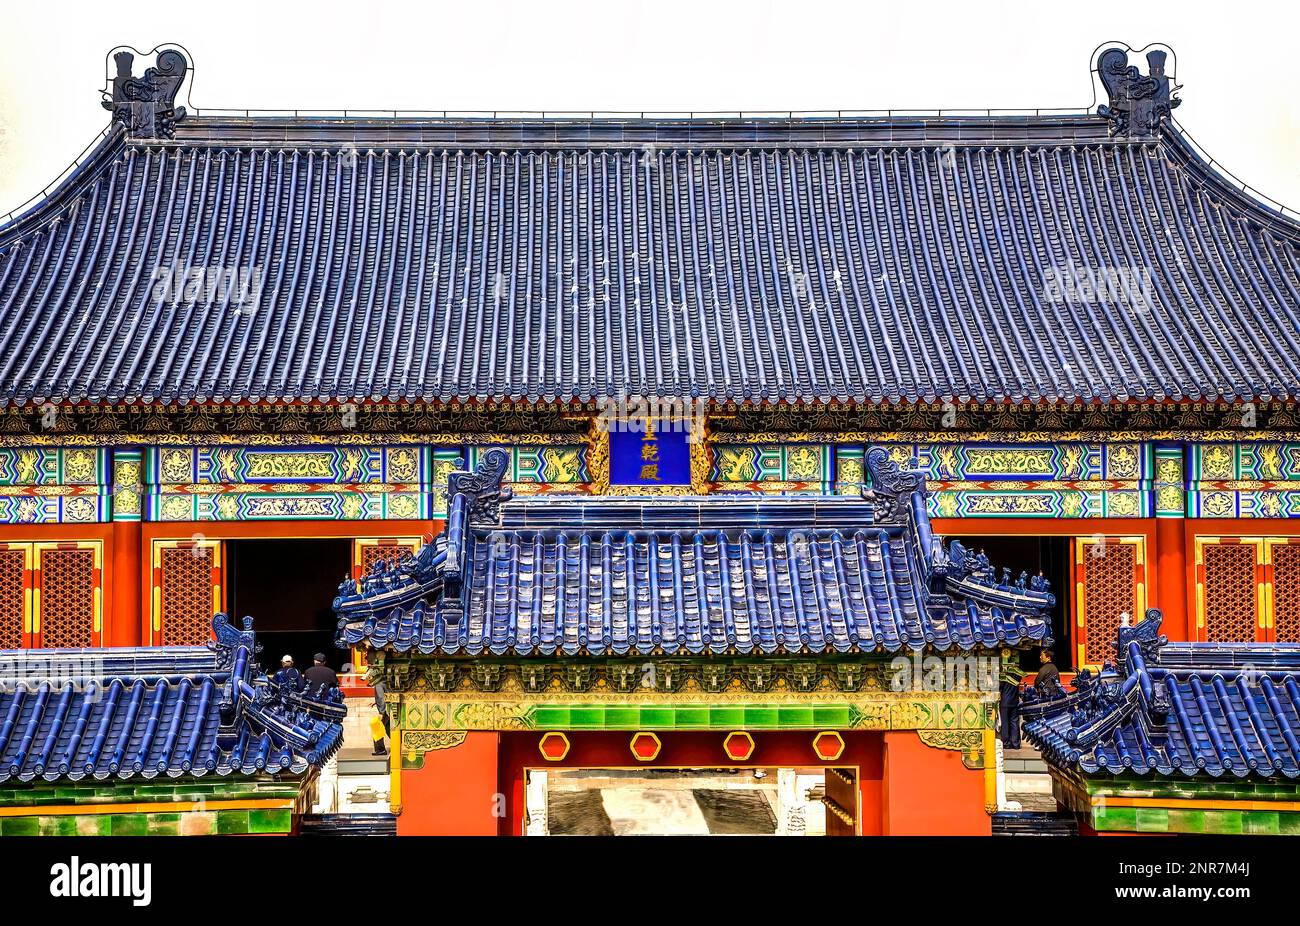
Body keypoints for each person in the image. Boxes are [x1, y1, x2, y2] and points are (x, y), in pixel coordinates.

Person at [998, 657, 1026, 749]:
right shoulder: (1018, 674)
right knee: (1014, 722)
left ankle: (1006, 743)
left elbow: (1000, 688)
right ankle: (1016, 743)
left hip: (1005, 702)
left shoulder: (1004, 674)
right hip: (1014, 701)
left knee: (1005, 722)